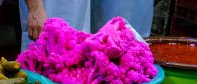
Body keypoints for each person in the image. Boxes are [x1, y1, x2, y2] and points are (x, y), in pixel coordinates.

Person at [19, 1, 154, 52]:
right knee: (42, 62)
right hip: (47, 8)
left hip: (75, 11)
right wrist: (35, 8)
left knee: (72, 63)